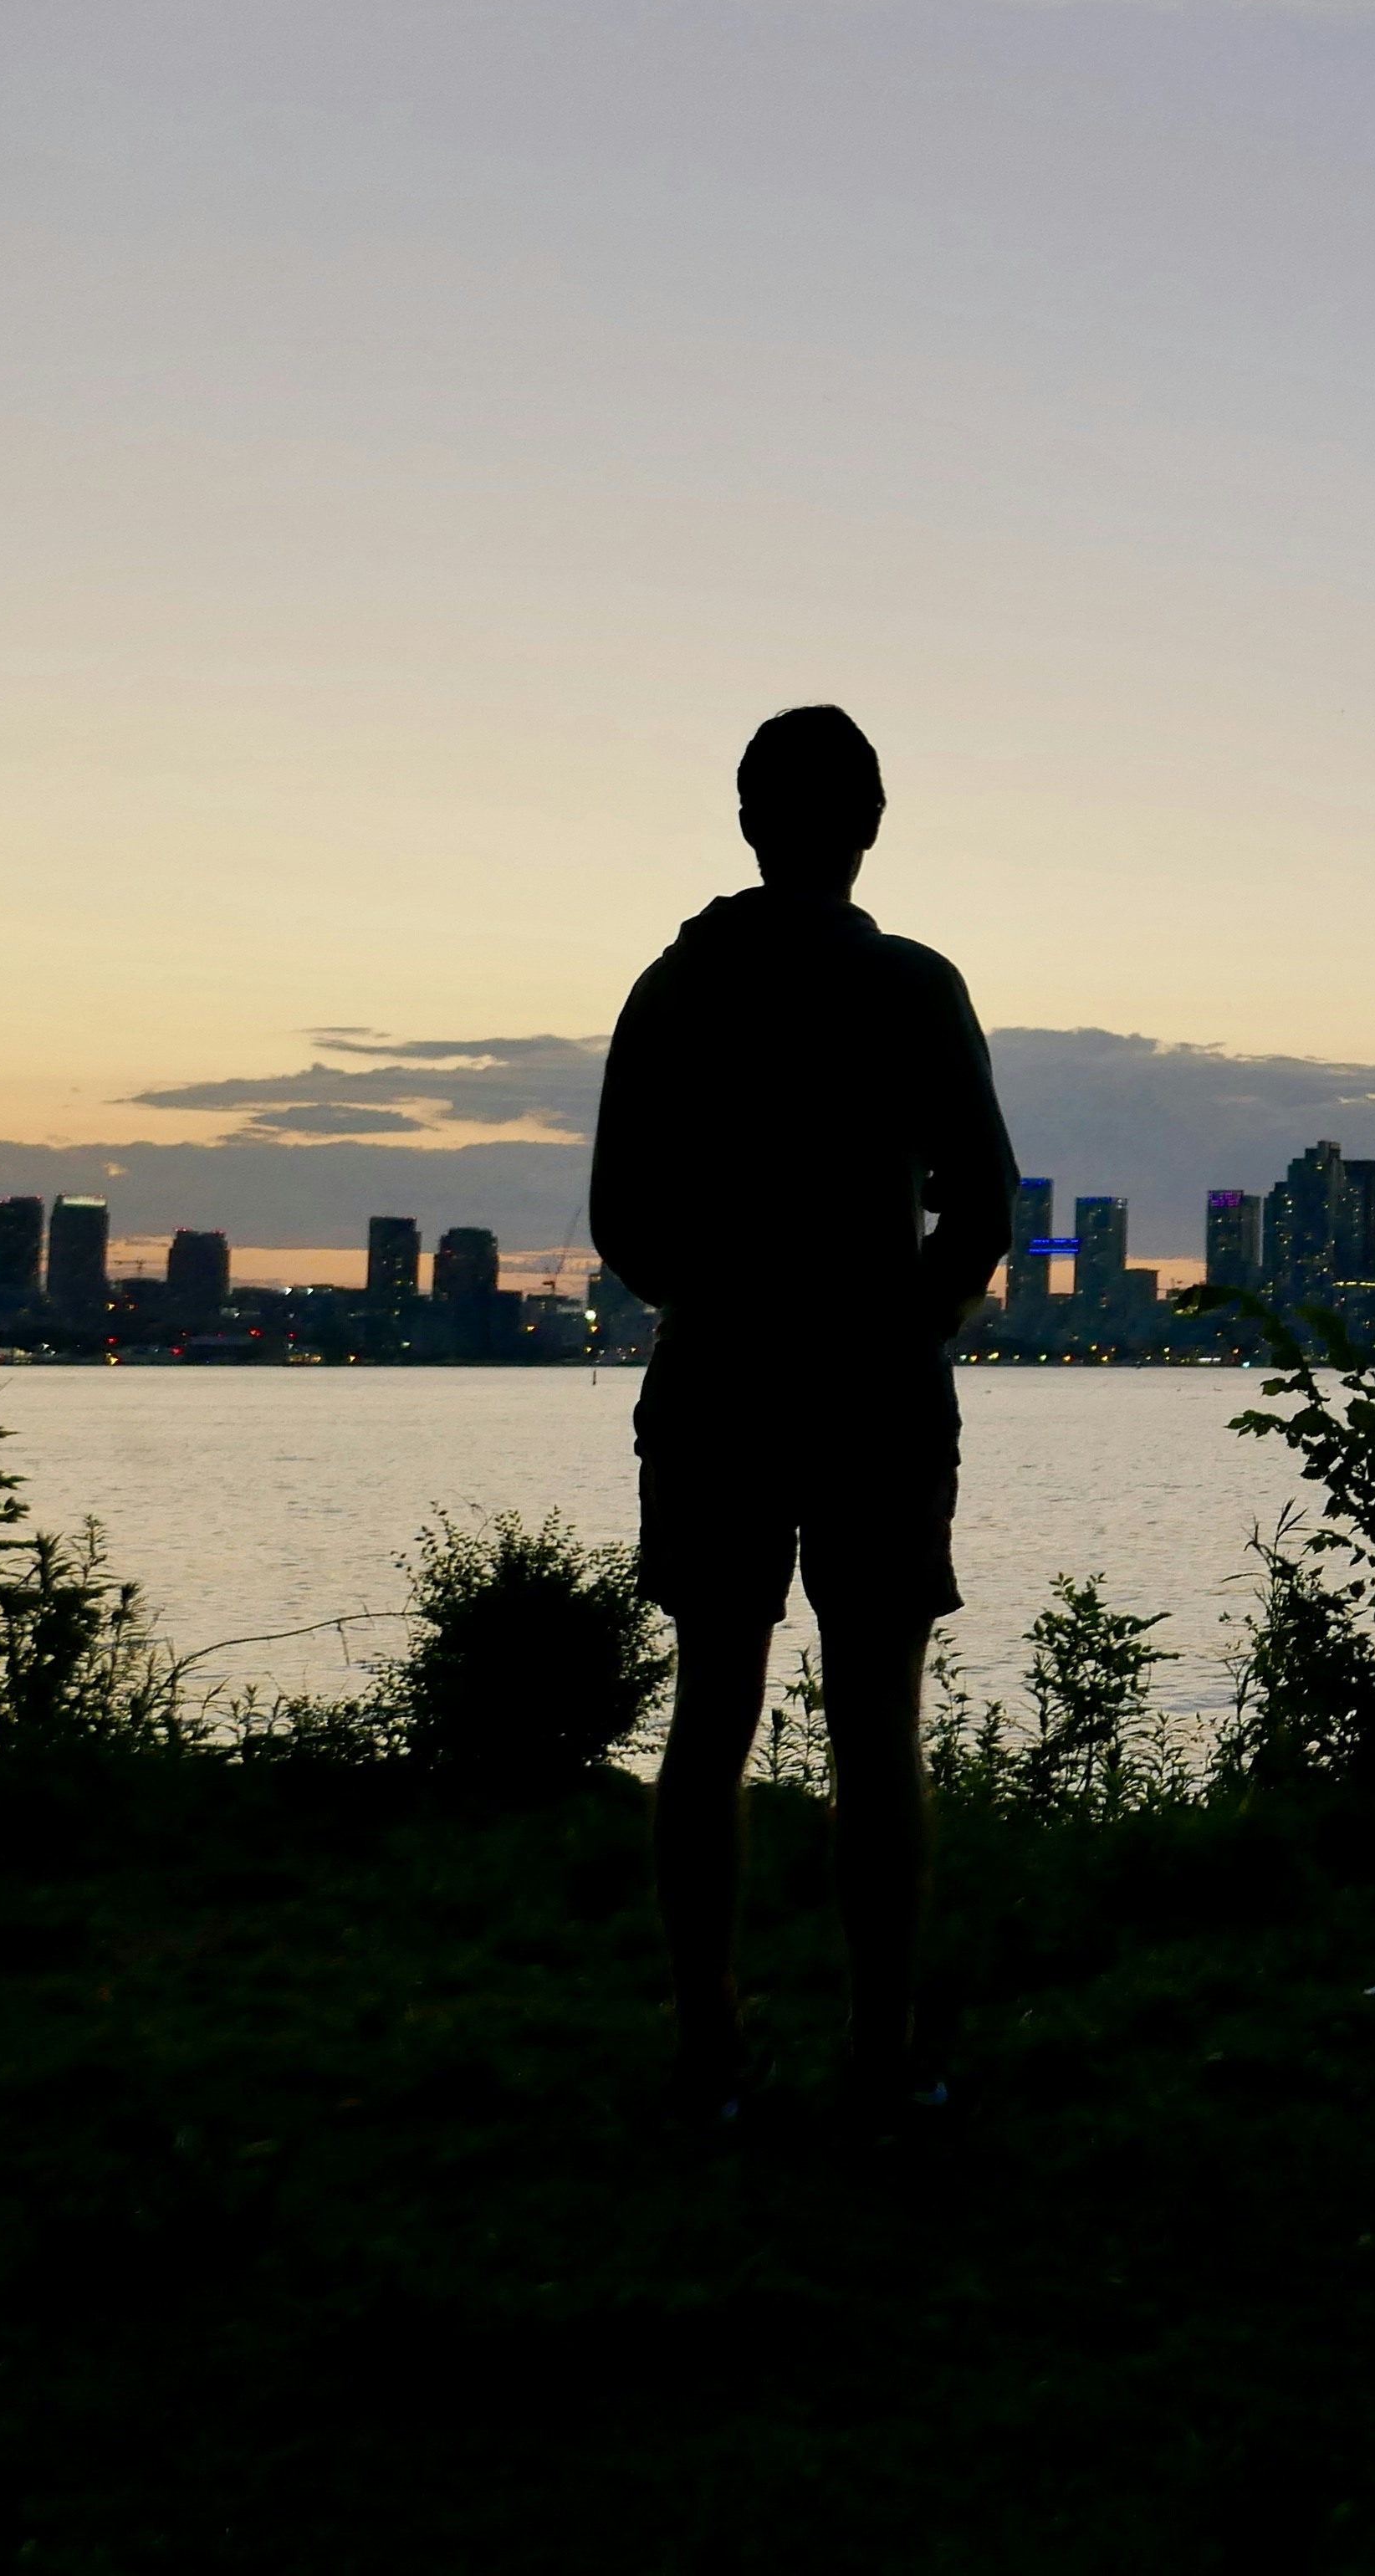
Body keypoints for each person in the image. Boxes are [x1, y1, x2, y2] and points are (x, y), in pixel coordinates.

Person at [589, 706, 1015, 2123]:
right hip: (877, 1393)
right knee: (875, 1723)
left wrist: (714, 1304)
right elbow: (987, 1203)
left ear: (749, 821)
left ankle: (711, 2048)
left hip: (713, 1380)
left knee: (710, 1712)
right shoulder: (909, 985)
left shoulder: (671, 991)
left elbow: (620, 1219)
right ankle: (881, 2061)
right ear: (872, 821)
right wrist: (910, 1320)